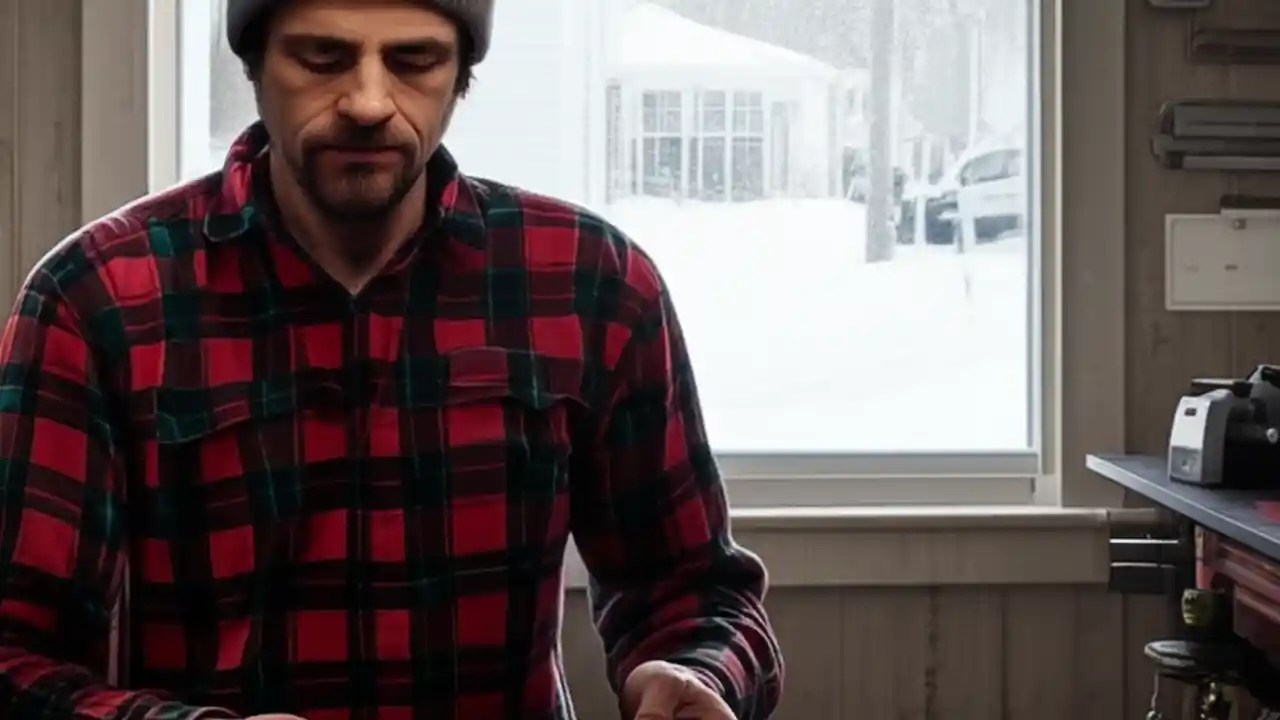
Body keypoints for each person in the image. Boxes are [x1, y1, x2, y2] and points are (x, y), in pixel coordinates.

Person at [0, 0, 783, 718]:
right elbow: (15, 650)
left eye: (414, 62)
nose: (369, 103)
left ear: (461, 76)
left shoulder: (592, 283)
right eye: (321, 58)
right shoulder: (97, 298)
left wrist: (699, 671)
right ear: (253, 66)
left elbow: (694, 590)